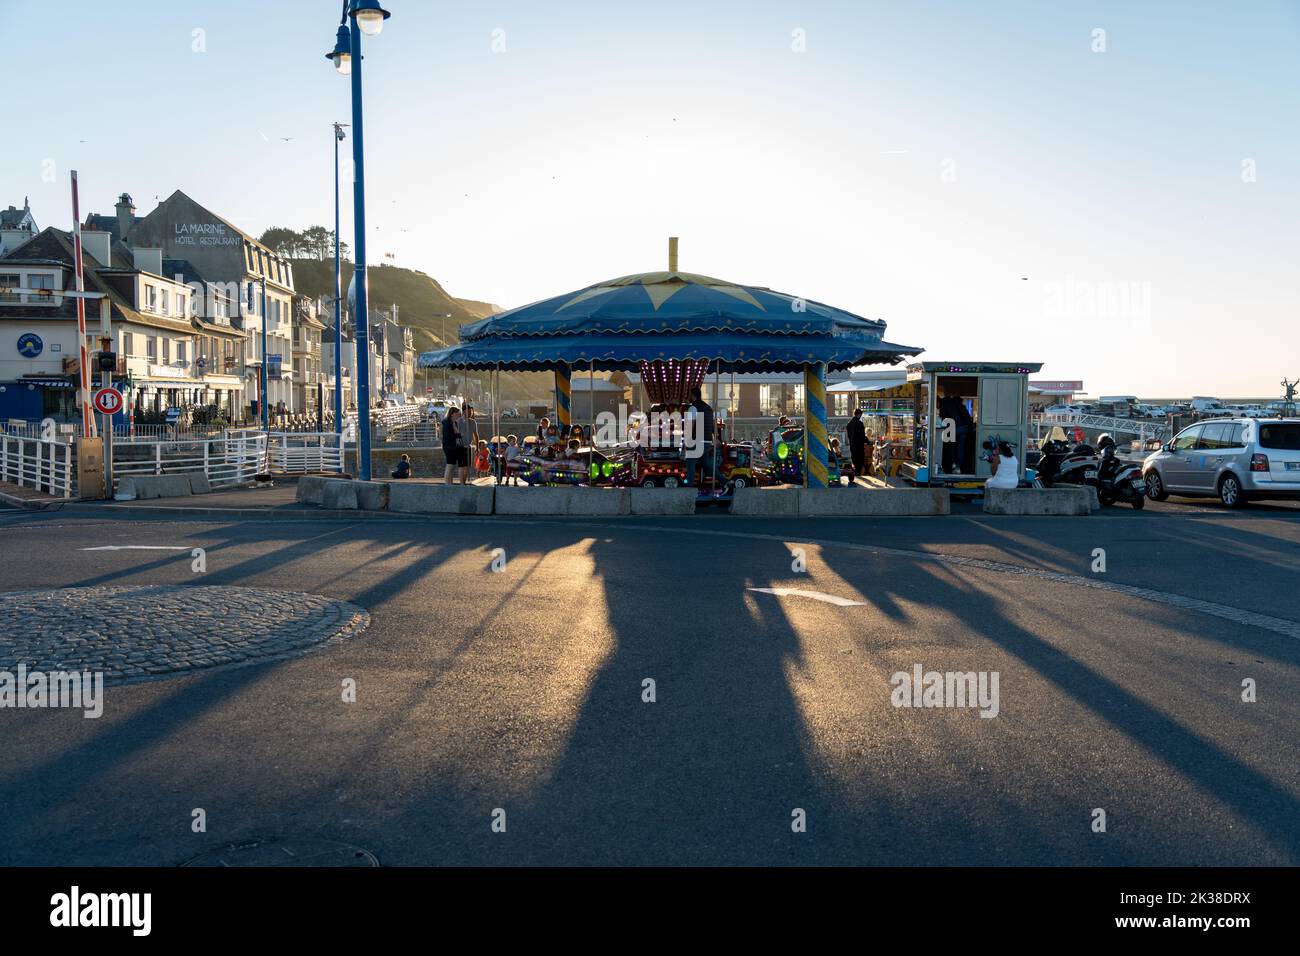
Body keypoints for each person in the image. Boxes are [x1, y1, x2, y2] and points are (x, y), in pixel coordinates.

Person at [684, 386, 715, 486]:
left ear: (693, 395)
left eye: (689, 395)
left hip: (697, 441)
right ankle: (725, 481)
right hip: (707, 442)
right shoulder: (708, 408)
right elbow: (713, 425)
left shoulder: (693, 408)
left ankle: (689, 488)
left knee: (690, 464)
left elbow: (691, 425)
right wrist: (716, 438)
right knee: (707, 465)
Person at [442, 406, 469, 484]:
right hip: (449, 446)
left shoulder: (455, 422)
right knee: (450, 465)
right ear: (452, 414)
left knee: (452, 466)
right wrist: (459, 435)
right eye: (457, 413)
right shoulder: (447, 423)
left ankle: (450, 483)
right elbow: (448, 435)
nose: (458, 415)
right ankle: (447, 484)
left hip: (454, 446)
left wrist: (459, 435)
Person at [846, 407, 867, 483]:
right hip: (859, 447)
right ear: (859, 414)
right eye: (861, 415)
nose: (861, 416)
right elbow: (862, 436)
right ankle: (858, 477)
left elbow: (849, 436)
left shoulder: (849, 424)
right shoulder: (859, 424)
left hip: (852, 447)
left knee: (854, 462)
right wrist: (867, 441)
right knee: (859, 463)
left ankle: (855, 477)